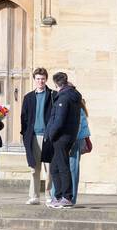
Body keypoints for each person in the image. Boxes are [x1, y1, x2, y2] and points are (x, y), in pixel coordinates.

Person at [42, 71, 81, 208]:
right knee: (54, 168)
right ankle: (57, 196)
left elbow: (59, 121)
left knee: (62, 166)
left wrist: (50, 135)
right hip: (65, 136)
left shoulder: (64, 98)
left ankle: (66, 196)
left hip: (61, 137)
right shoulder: (70, 95)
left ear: (56, 84)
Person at [19, 67, 56, 205]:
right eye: (38, 79)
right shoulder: (28, 97)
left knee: (49, 169)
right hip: (33, 136)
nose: (40, 81)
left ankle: (49, 195)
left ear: (46, 79)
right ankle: (34, 196)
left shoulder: (53, 95)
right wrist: (24, 133)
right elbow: (24, 117)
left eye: (43, 79)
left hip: (48, 137)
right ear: (34, 80)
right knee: (34, 168)